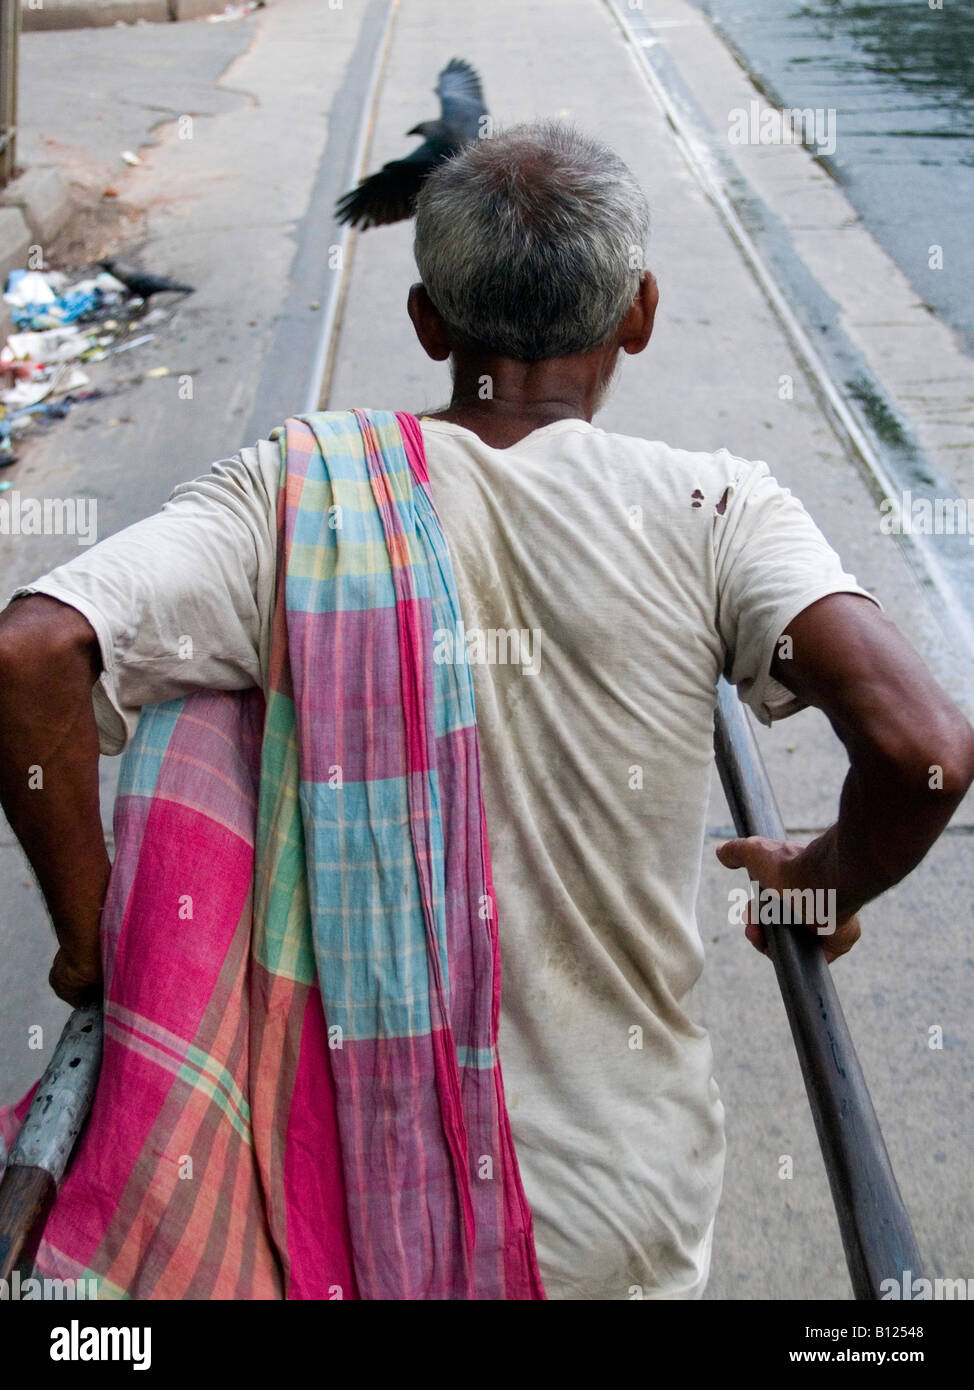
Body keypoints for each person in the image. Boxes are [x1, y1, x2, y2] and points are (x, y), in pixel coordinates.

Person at [1, 122, 972, 1300]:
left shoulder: (296, 494)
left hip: (357, 1184)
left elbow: (33, 654)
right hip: (626, 1196)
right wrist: (820, 881)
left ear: (425, 322)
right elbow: (925, 749)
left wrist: (93, 939)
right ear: (640, 314)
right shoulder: (719, 509)